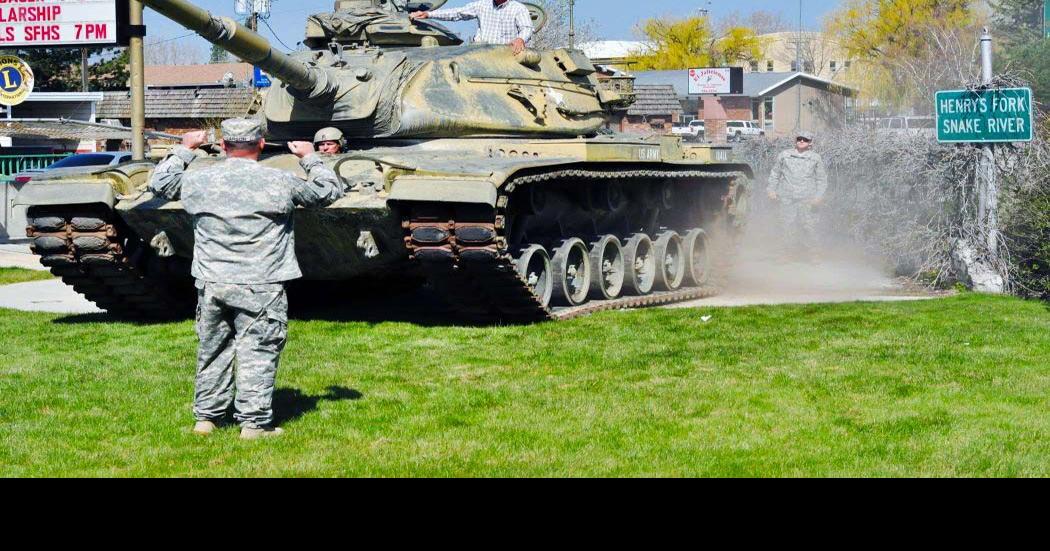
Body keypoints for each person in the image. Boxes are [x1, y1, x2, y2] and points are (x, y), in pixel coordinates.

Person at [148, 118, 344, 440]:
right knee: (258, 351)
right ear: (261, 145)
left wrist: (185, 150)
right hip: (261, 283)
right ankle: (254, 426)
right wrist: (309, 156)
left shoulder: (200, 181)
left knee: (212, 349)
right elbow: (327, 191)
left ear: (224, 146)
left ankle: (206, 420)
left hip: (212, 282)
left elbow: (161, 184)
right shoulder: (279, 180)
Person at [766, 131, 829, 261]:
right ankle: (785, 254)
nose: (801, 141)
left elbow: (821, 180)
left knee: (809, 227)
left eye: (805, 139)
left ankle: (814, 254)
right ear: (795, 141)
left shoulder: (815, 158)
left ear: (810, 143)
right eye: (799, 139)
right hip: (787, 197)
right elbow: (775, 174)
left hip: (807, 199)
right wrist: (771, 189)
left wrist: (819, 196)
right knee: (786, 226)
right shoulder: (784, 155)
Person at [410, 0, 533, 55]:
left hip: (504, 56)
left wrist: (520, 39)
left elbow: (527, 28)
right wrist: (428, 14)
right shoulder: (482, 5)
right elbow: (457, 13)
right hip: (480, 54)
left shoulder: (518, 8)